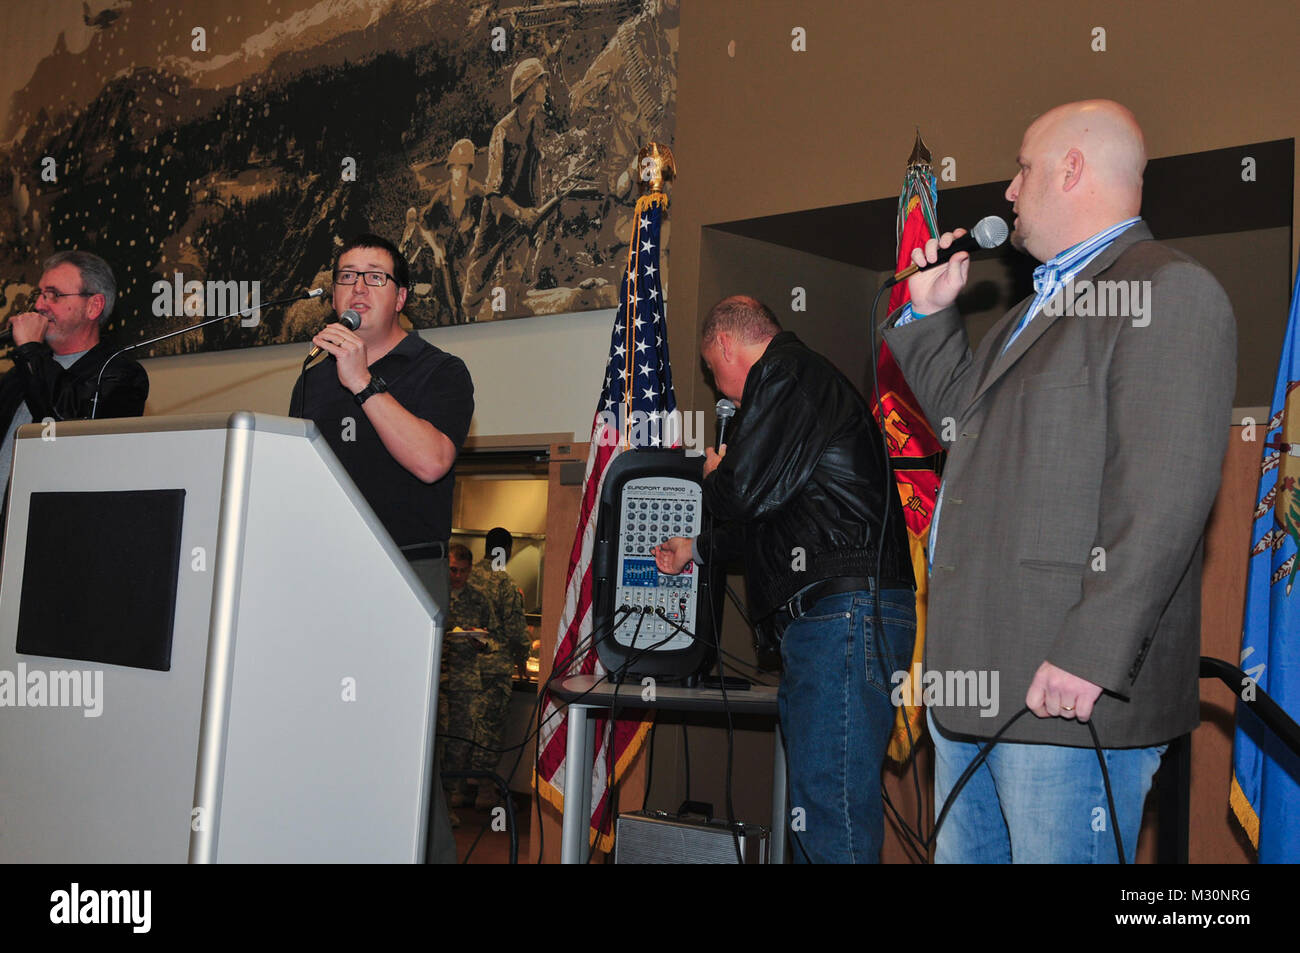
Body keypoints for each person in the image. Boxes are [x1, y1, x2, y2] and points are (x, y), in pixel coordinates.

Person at [881, 100, 1236, 863]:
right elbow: (961, 422)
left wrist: (1092, 653)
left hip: (1063, 694)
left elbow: (1166, 492)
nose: (1009, 190)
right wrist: (929, 314)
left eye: (1023, 167)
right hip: (974, 689)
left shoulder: (1167, 288)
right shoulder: (1027, 311)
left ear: (1071, 169)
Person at [653, 295, 915, 863]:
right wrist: (695, 550)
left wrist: (715, 474)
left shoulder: (786, 375)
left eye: (713, 373)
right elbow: (772, 519)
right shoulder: (799, 386)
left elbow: (740, 494)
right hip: (837, 620)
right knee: (817, 811)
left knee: (829, 812)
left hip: (842, 618)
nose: (721, 390)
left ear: (726, 344)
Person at [289, 232, 475, 864]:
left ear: (400, 297)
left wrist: (364, 384)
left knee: (399, 746)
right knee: (326, 739)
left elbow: (431, 462)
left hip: (405, 573)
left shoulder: (440, 371)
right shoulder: (313, 381)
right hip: (325, 579)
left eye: (374, 278)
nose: (358, 288)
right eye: (347, 277)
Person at [0, 250, 148, 491]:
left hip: (53, 522)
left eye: (54, 295)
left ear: (93, 306)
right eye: (40, 294)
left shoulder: (120, 375)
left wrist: (29, 349)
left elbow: (63, 426)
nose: (39, 305)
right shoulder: (21, 372)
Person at [460, 58, 550, 321]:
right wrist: (521, 213)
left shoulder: (536, 126)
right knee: (479, 272)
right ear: (528, 89)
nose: (546, 86)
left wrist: (538, 214)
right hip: (499, 214)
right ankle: (466, 318)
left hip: (523, 211)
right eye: (541, 81)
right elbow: (494, 193)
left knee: (513, 274)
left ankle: (503, 321)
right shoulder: (503, 130)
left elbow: (536, 174)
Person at [466, 526, 529, 809]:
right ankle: (485, 792)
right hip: (495, 667)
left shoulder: (466, 575)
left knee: (464, 725)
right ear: (509, 549)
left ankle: (455, 790)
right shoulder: (504, 583)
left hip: (464, 664)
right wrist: (522, 659)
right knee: (490, 727)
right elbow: (516, 630)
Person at [442, 543, 497, 813]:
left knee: (460, 745)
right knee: (436, 743)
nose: (457, 576)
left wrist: (481, 642)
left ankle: (448, 802)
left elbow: (492, 640)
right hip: (437, 682)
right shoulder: (433, 595)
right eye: (453, 570)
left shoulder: (478, 599)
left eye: (463, 571)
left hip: (465, 683)